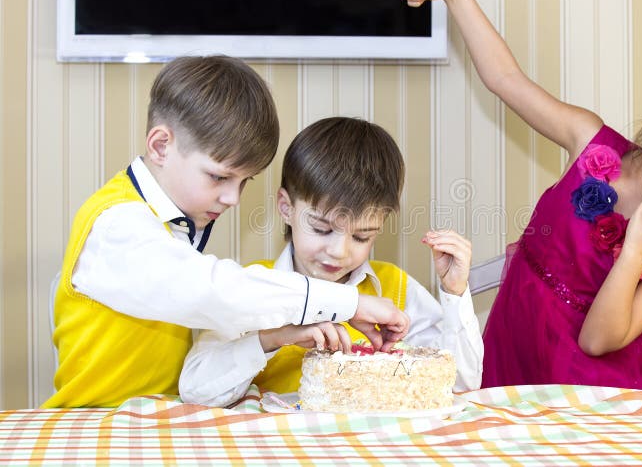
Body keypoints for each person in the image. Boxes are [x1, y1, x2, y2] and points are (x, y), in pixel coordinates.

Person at [385, 0, 642, 390]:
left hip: (591, 386)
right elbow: (505, 80)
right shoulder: (592, 142)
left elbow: (597, 341)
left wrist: (638, 246)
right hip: (513, 339)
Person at [45, 57, 409, 408]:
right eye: (219, 177)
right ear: (161, 146)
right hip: (99, 422)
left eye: (243, 181)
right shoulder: (117, 224)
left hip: (157, 421)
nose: (233, 198)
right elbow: (213, 291)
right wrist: (349, 302)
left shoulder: (167, 221)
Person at [179, 116, 483, 407]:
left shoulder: (396, 289)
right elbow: (196, 390)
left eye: (362, 236)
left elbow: (460, 385)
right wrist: (270, 339)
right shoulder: (252, 286)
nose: (339, 251)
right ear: (286, 207)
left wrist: (455, 293)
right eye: (321, 229)